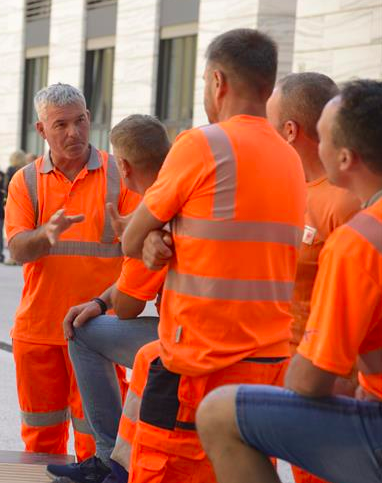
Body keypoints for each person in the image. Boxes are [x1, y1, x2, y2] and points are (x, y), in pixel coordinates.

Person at [120, 28, 306, 482]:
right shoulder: (291, 159)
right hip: (266, 363)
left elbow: (129, 240)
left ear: (218, 82)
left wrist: (152, 237)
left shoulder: (201, 144)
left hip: (199, 364)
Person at [196, 80, 382, 483]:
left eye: (325, 136)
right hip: (326, 366)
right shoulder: (299, 193)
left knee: (218, 413)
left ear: (346, 157)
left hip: (326, 375)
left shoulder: (357, 236)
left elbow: (311, 378)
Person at [5, 83, 141, 461]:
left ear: (90, 119)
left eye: (80, 121)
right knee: (40, 440)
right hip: (39, 331)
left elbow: (139, 250)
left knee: (99, 443)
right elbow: (17, 248)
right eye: (61, 124)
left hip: (97, 330)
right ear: (41, 130)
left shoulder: (120, 174)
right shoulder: (26, 181)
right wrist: (44, 236)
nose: (73, 133)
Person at [47, 114, 171, 483]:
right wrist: (101, 302)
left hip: (187, 340)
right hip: (251, 338)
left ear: (124, 165)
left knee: (83, 333)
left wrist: (133, 241)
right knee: (94, 319)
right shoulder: (187, 192)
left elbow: (131, 306)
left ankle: (108, 460)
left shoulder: (159, 207)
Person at [266, 72, 362, 483]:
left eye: (267, 125)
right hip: (279, 360)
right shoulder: (281, 186)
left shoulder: (345, 201)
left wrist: (349, 382)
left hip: (327, 376)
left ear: (289, 131)